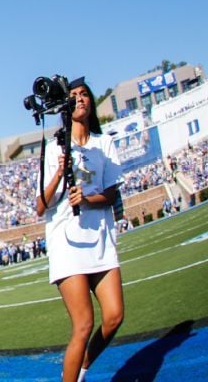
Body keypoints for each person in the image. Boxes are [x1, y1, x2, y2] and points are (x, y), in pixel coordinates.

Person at [36, 76, 125, 382]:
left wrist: (86, 199)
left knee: (114, 317)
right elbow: (40, 206)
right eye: (73, 95)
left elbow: (111, 194)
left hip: (100, 239)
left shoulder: (105, 143)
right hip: (67, 244)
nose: (80, 98)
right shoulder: (53, 148)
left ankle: (81, 369)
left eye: (85, 94)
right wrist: (60, 171)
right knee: (84, 324)